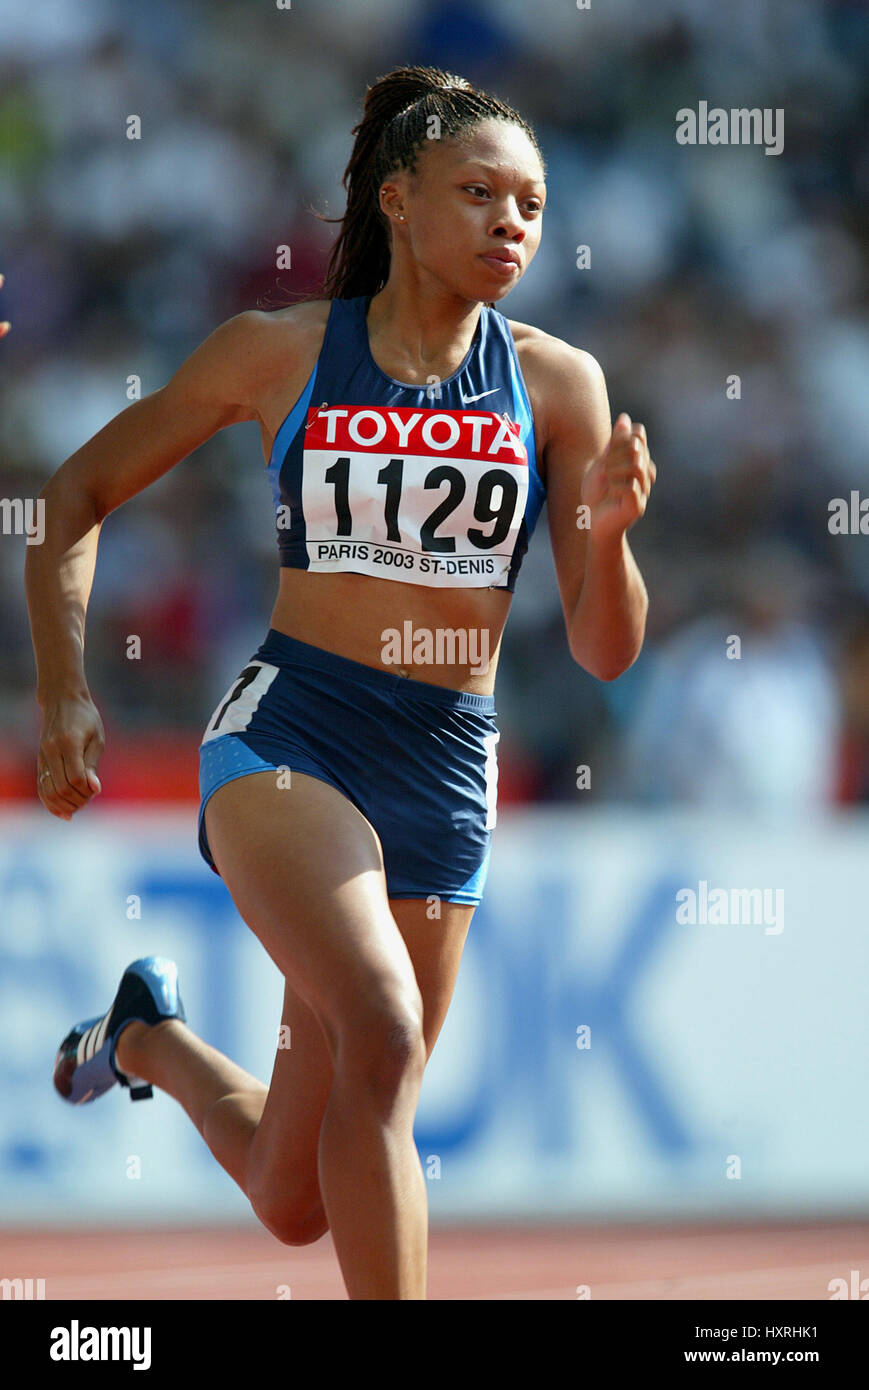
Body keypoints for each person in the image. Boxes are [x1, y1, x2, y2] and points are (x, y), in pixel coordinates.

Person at [23, 65, 655, 1300]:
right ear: (398, 201)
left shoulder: (558, 385)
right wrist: (64, 688)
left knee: (291, 1192)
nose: (508, 223)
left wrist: (614, 531)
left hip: (447, 762)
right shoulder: (279, 353)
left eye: (529, 202)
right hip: (292, 730)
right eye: (477, 194)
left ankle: (144, 1031)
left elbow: (603, 649)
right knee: (385, 1026)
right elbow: (70, 498)